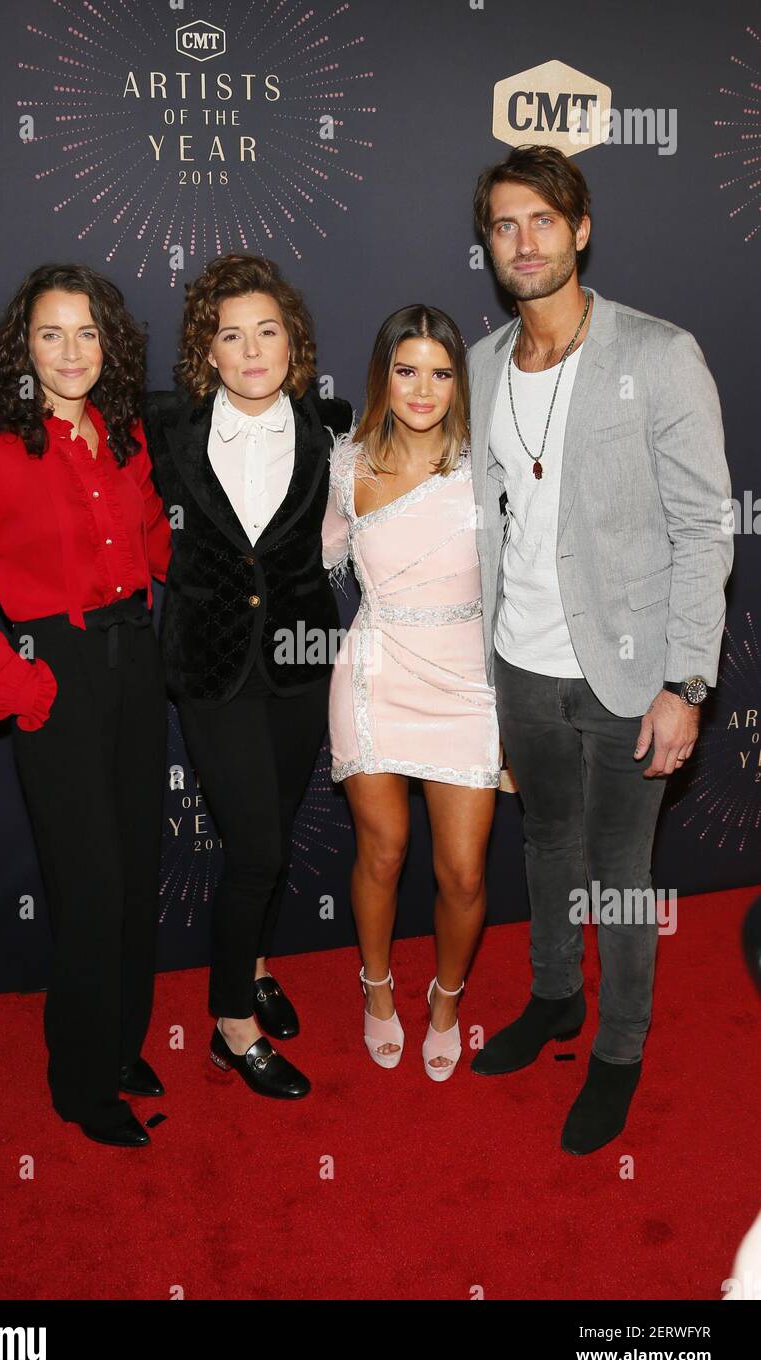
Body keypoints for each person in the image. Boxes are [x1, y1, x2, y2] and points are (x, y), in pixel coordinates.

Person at [467, 144, 733, 1152]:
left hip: (628, 671)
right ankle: (552, 999)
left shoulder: (655, 353)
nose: (523, 241)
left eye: (542, 219)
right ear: (487, 245)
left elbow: (704, 526)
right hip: (522, 661)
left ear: (578, 230)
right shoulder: (484, 365)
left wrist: (684, 681)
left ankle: (618, 1048)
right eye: (504, 224)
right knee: (541, 845)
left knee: (618, 867)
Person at [0, 264, 172, 1148]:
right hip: (54, 669)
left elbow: (154, 542)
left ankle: (120, 1047)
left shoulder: (126, 437)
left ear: (109, 343)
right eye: (50, 334)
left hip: (134, 659)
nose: (71, 352)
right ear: (21, 347)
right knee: (90, 886)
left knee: (138, 872)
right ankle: (79, 1081)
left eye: (86, 333)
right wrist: (23, 687)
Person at [144, 252, 352, 1100]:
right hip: (211, 667)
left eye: (268, 331)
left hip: (301, 665)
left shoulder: (329, 427)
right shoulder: (166, 429)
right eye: (233, 335)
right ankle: (233, 1024)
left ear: (293, 346)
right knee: (257, 849)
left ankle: (256, 964)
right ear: (210, 352)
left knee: (273, 830)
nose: (253, 349)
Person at [321, 305, 500, 1081]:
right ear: (382, 376)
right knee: (384, 852)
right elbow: (322, 557)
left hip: (466, 683)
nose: (422, 388)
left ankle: (449, 997)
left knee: (462, 873)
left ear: (460, 381)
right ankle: (377, 987)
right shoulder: (345, 464)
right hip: (375, 672)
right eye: (405, 370)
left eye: (440, 371)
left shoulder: (485, 464)